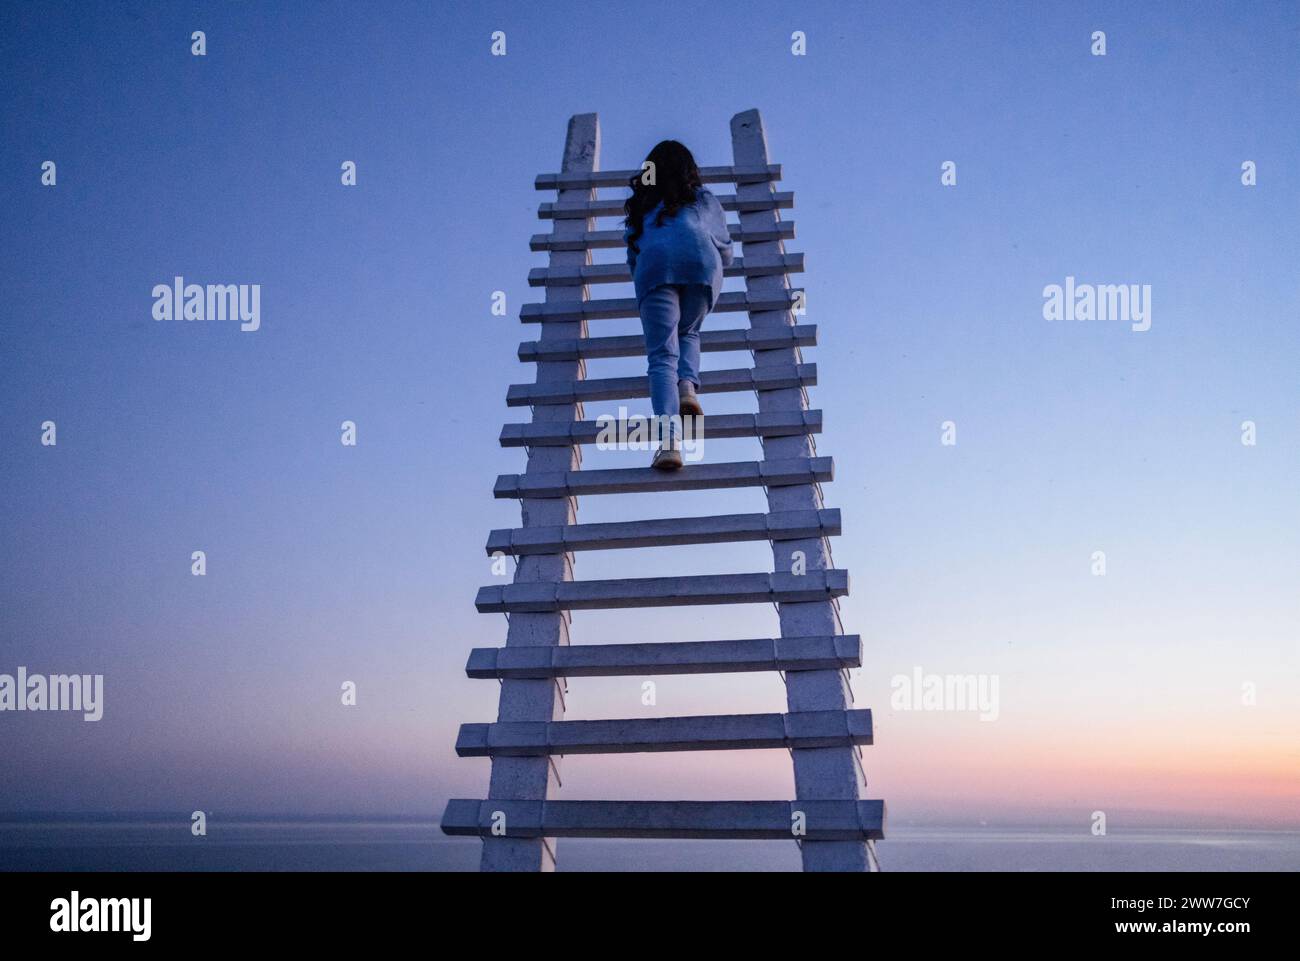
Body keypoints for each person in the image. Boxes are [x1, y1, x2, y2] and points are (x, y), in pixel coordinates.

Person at [623, 140, 733, 470]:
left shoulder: (642, 207)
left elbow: (633, 258)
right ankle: (688, 388)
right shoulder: (704, 200)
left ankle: (669, 443)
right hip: (701, 264)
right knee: (689, 331)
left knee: (661, 356)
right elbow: (726, 248)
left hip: (655, 269)